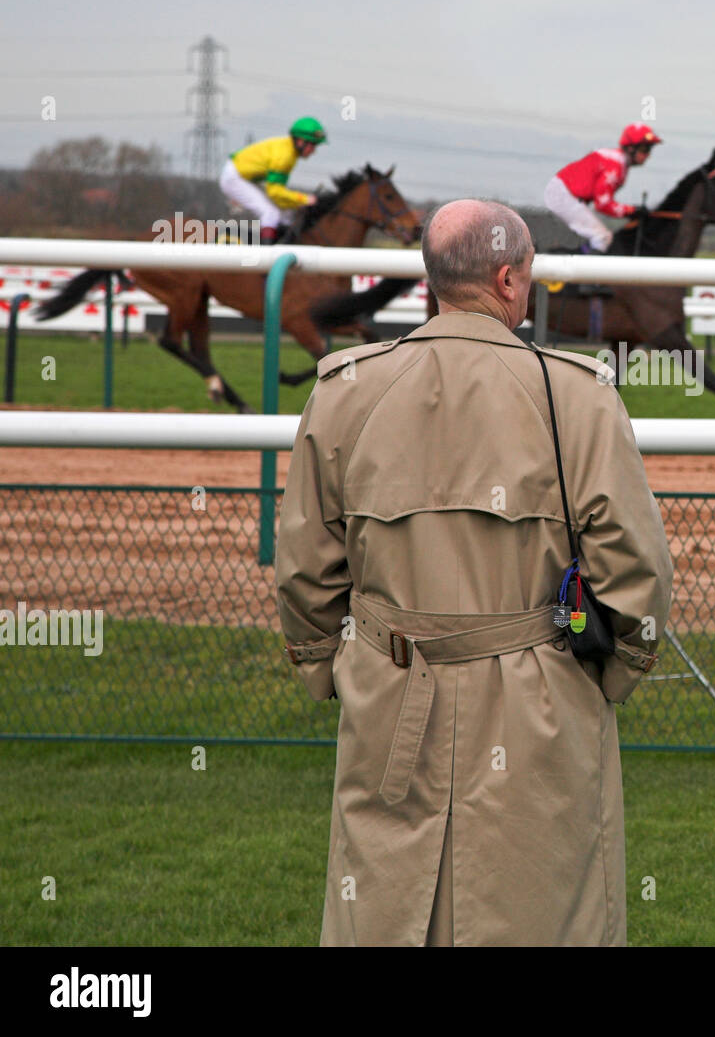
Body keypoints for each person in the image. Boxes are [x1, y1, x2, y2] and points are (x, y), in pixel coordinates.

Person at [275, 199, 673, 947]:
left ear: (432, 281)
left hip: (389, 690)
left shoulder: (344, 390)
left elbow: (305, 566)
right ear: (509, 279)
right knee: (540, 904)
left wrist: (325, 669)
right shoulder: (578, 395)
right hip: (539, 699)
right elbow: (636, 569)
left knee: (384, 911)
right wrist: (612, 674)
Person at [543, 124, 662, 252]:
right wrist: (632, 211)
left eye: (649, 150)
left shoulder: (618, 162)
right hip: (563, 195)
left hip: (565, 194)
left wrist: (632, 211)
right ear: (631, 148)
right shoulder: (616, 166)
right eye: (645, 149)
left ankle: (571, 256)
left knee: (600, 236)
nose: (648, 155)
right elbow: (603, 205)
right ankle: (573, 263)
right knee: (602, 238)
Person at [219, 117, 328, 244]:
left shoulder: (290, 152)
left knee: (287, 215)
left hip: (244, 177)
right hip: (234, 178)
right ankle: (266, 257)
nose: (313, 151)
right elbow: (275, 193)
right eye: (312, 144)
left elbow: (279, 197)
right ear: (300, 141)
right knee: (271, 214)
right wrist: (305, 200)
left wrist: (296, 204)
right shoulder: (285, 156)